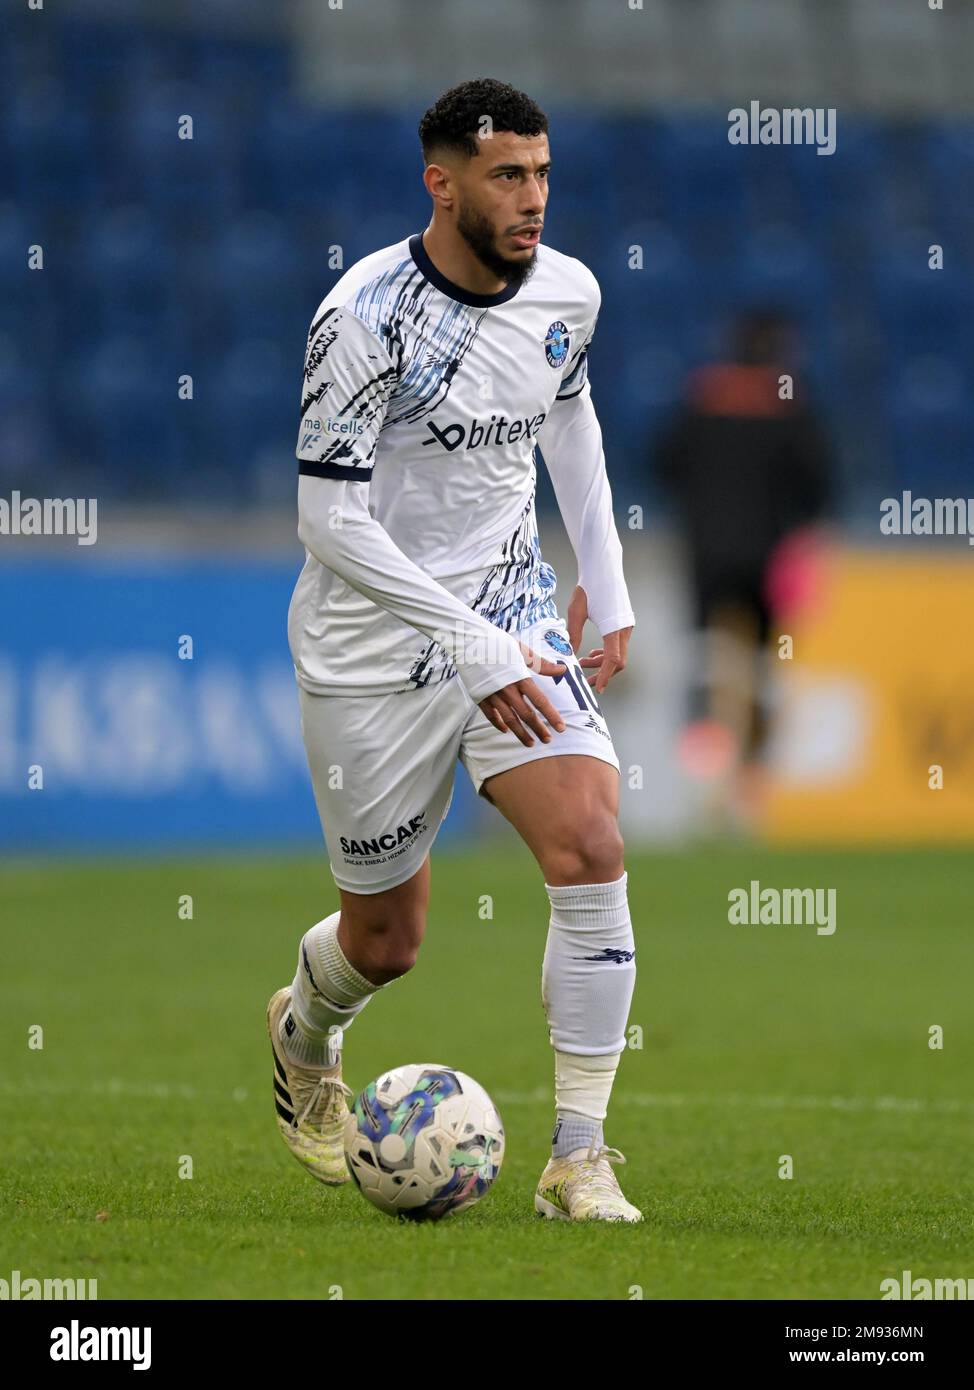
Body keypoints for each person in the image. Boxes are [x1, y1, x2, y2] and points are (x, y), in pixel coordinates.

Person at [269, 79, 640, 1222]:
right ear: (440, 183)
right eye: (505, 177)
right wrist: (466, 643)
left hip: (509, 610)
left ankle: (577, 1158)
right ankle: (302, 1029)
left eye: (541, 173)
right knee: (388, 940)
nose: (531, 198)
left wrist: (605, 577)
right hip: (372, 645)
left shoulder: (566, 290)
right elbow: (328, 520)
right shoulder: (364, 317)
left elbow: (566, 412)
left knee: (587, 841)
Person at [657, 310, 833, 817]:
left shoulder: (702, 400)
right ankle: (751, 788)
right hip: (767, 560)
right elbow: (818, 488)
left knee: (705, 664)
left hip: (704, 556)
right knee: (763, 671)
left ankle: (701, 781)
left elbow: (664, 465)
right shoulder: (790, 404)